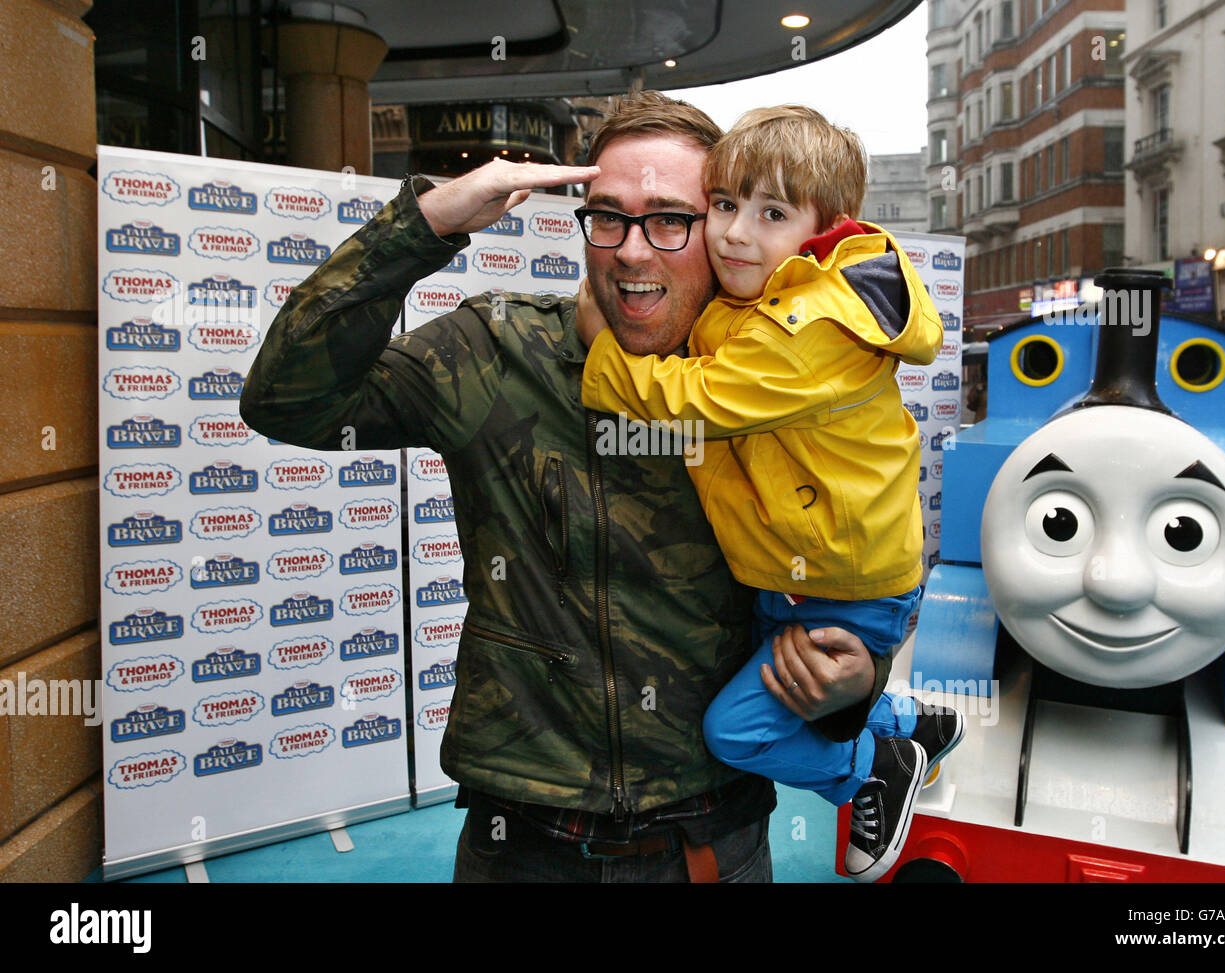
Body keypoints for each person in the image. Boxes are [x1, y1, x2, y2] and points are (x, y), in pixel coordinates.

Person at [241, 91, 891, 883]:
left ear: (721, 231)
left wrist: (856, 686)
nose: (632, 250)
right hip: (522, 850)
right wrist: (427, 222)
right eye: (607, 216)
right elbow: (287, 397)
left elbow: (861, 565)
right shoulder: (499, 347)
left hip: (709, 847)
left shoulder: (784, 378)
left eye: (671, 218)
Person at [578, 105, 965, 881]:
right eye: (724, 205)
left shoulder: (812, 324)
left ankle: (875, 765)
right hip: (795, 571)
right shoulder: (763, 302)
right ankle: (914, 718)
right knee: (796, 690)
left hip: (837, 586)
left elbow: (696, 401)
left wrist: (603, 351)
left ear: (827, 228)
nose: (732, 234)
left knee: (736, 731)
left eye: (772, 213)